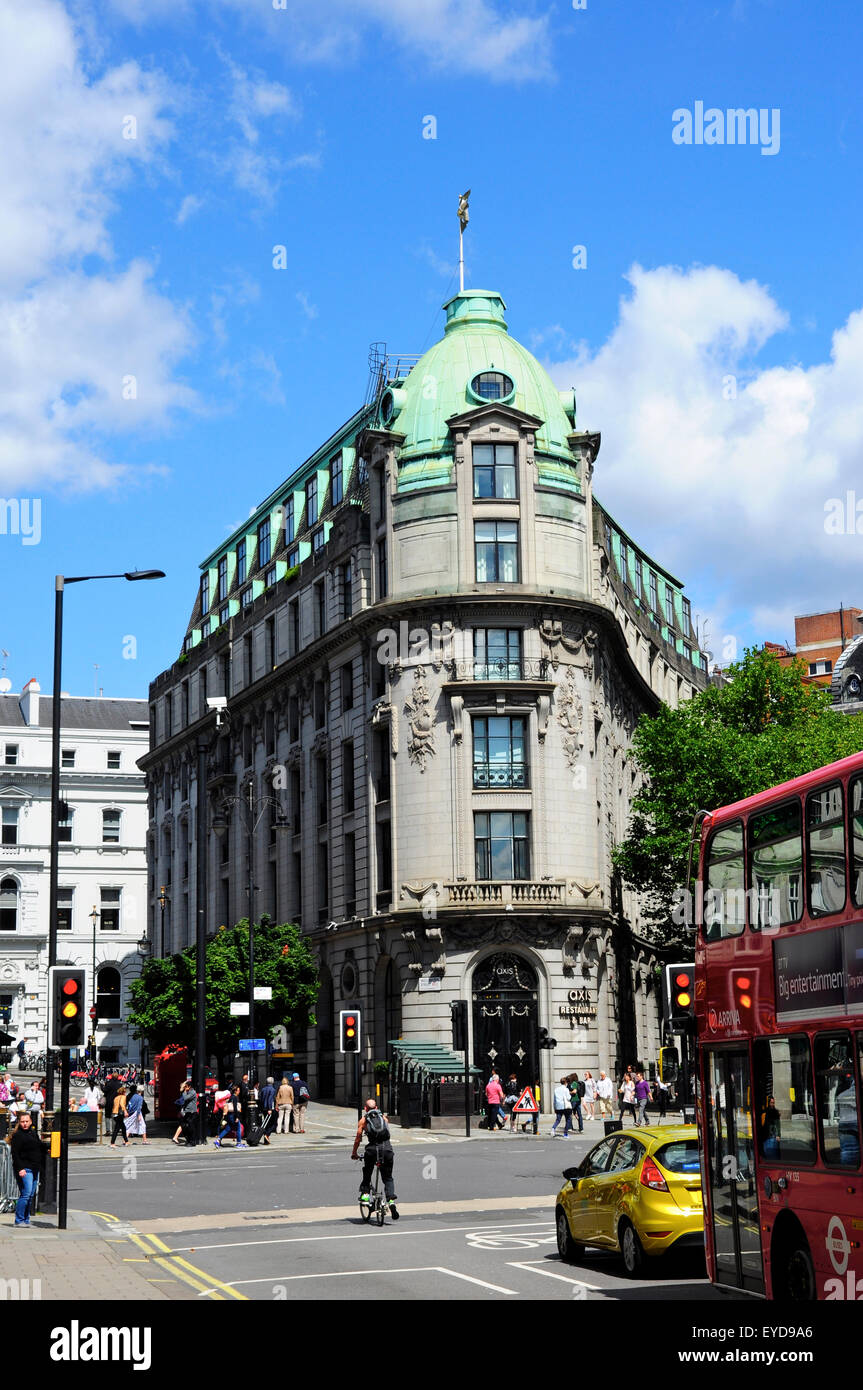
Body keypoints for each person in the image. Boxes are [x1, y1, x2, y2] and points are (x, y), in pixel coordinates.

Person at [351, 1098, 398, 1219]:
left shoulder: (363, 1120)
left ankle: (366, 1194)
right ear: (376, 1108)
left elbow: (358, 1139)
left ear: (365, 1109)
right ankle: (391, 1201)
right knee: (388, 1177)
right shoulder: (384, 1119)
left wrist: (354, 1153)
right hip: (387, 1149)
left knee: (367, 1170)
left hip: (372, 1150)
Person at [8, 1112, 46, 1227]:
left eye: (27, 1121)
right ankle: (19, 1220)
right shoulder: (18, 1135)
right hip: (25, 1169)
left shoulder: (33, 1133)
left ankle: (26, 1219)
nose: (25, 1124)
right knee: (26, 1193)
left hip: (34, 1168)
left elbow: (39, 1146)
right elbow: (15, 1154)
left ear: (30, 1122)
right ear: (19, 1123)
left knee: (30, 1195)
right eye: (22, 1122)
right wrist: (20, 1168)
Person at [258, 1076, 276, 1145]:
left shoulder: (263, 1089)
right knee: (274, 1124)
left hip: (264, 1108)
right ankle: (267, 1134)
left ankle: (266, 1140)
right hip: (269, 1108)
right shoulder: (272, 1089)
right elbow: (270, 1100)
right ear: (272, 1082)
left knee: (266, 1124)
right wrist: (270, 1109)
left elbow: (261, 1099)